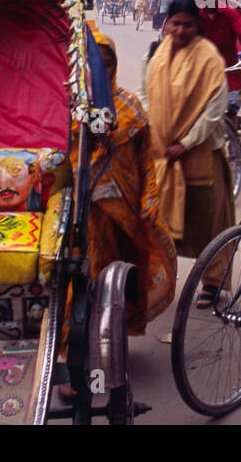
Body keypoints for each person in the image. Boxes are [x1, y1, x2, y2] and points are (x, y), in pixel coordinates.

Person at [74, 28, 177, 335]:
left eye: (106, 64)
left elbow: (146, 160)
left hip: (127, 211)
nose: (100, 71)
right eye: (92, 64)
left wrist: (149, 199)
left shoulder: (130, 106)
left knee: (120, 276)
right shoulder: (73, 109)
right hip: (88, 213)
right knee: (86, 276)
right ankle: (82, 344)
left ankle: (112, 340)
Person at [142, 0, 236, 306]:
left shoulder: (209, 58)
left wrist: (186, 142)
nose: (180, 30)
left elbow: (215, 108)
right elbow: (146, 96)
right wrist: (154, 136)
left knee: (211, 224)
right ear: (166, 23)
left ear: (197, 26)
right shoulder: (155, 56)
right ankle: (157, 283)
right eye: (175, 23)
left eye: (187, 24)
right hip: (164, 155)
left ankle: (213, 283)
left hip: (202, 155)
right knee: (160, 225)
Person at [197, 0, 241, 113]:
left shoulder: (229, 13)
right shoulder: (197, 16)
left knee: (231, 112)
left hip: (229, 71)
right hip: (203, 73)